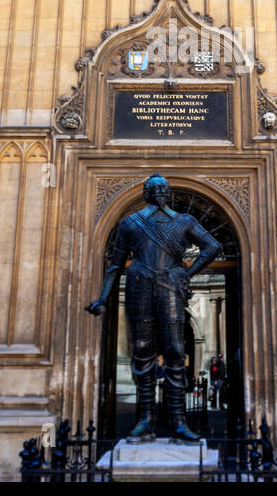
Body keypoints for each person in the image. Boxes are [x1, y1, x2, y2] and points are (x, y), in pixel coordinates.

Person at [86, 175, 222, 442]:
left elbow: (213, 246)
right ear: (146, 194)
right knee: (142, 350)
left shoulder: (184, 221)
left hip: (169, 286)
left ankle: (178, 421)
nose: (160, 193)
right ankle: (146, 418)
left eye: (163, 189)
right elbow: (115, 264)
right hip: (139, 285)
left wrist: (187, 274)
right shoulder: (130, 222)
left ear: (168, 194)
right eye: (155, 189)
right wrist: (103, 297)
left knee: (174, 349)